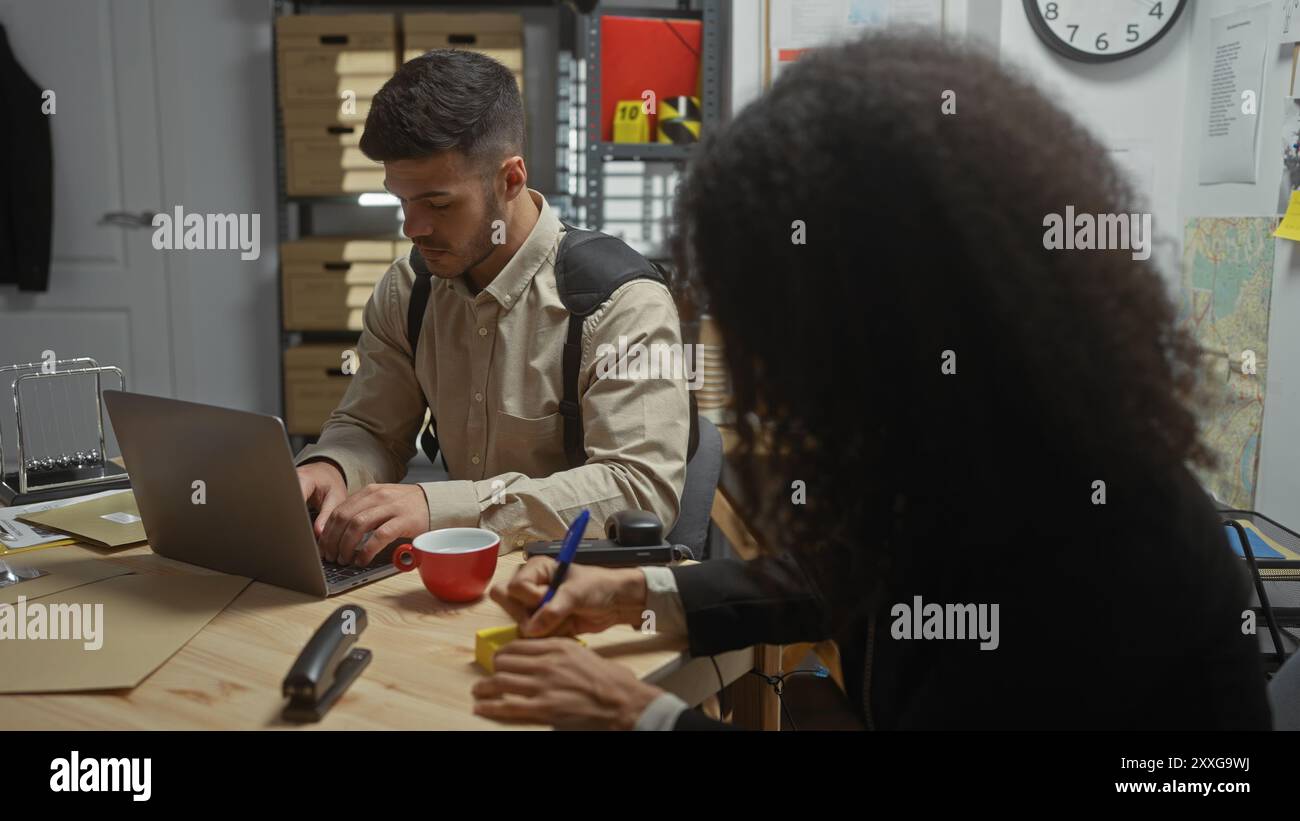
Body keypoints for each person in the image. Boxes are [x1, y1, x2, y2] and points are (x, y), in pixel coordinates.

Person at [472, 32, 1272, 730]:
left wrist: (637, 713)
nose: (764, 381)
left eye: (774, 332)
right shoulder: (992, 453)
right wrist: (638, 595)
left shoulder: (1086, 552)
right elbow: (857, 581)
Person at [293, 50, 690, 567]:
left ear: (510, 180)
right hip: (459, 581)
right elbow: (371, 427)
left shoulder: (621, 304)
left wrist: (443, 506)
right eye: (401, 200)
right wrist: (332, 468)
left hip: (581, 590)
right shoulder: (408, 289)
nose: (412, 228)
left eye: (438, 204)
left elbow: (640, 491)